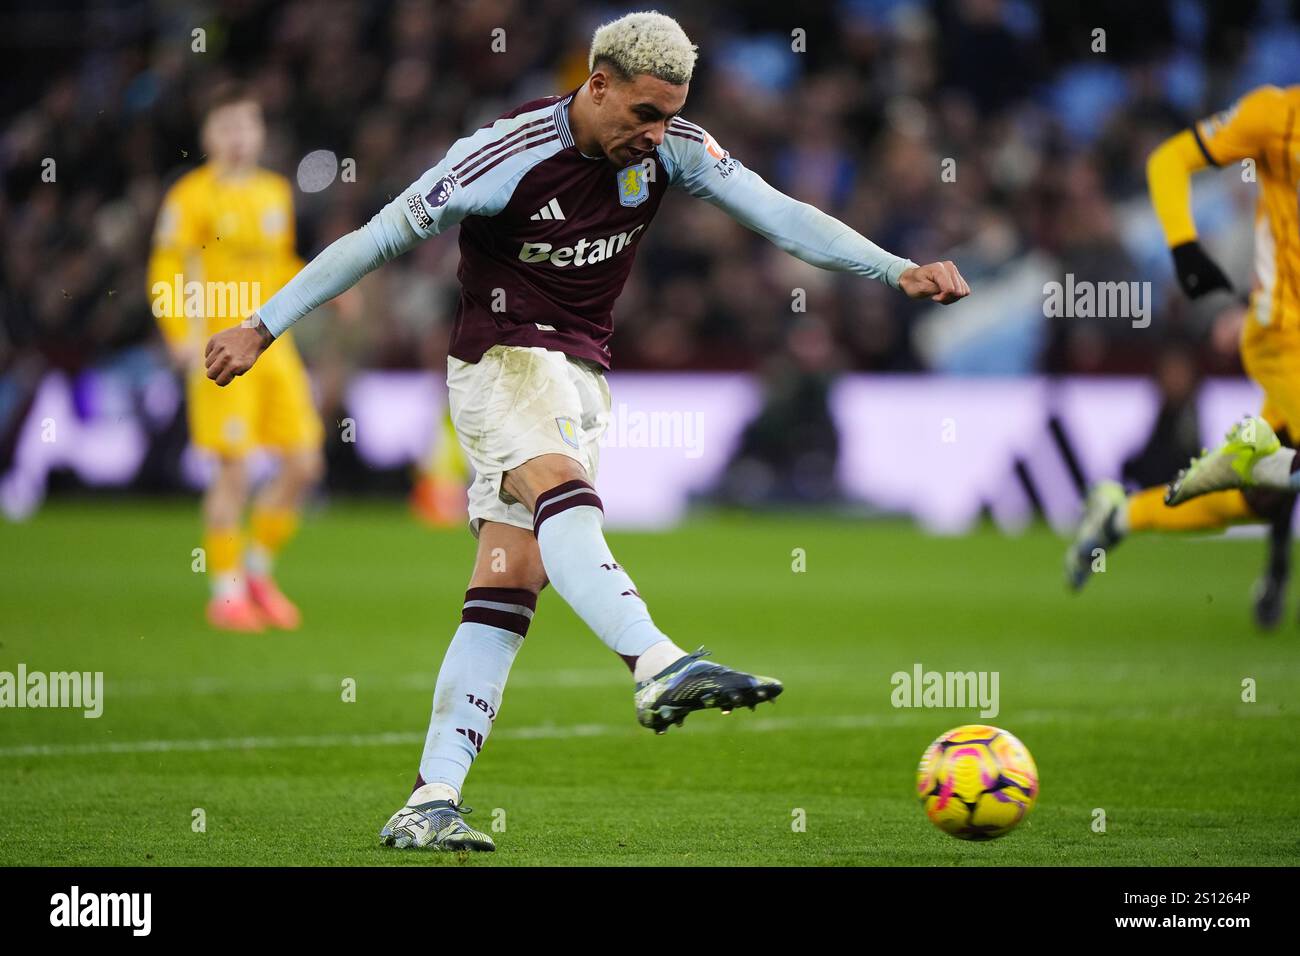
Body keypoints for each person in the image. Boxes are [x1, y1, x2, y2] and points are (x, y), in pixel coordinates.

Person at [203, 12, 970, 851]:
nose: (658, 132)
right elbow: (379, 236)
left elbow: (780, 214)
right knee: (569, 497)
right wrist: (263, 325)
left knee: (507, 587)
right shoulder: (503, 156)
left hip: (579, 372)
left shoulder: (676, 148)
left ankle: (431, 797)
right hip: (502, 359)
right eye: (644, 113)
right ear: (596, 84)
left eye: (671, 113)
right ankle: (655, 663)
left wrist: (894, 268)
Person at [1067, 84, 1300, 628]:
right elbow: (1169, 159)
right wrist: (1185, 247)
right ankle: (1261, 479)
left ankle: (1121, 514)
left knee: (1252, 501)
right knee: (1271, 481)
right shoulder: (1275, 114)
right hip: (1282, 334)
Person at [148, 82, 324, 632]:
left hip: (275, 345)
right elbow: (165, 268)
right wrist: (178, 332)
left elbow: (278, 263)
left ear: (261, 133)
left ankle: (256, 572)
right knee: (234, 470)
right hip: (220, 346)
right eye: (226, 127)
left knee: (304, 463)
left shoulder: (274, 191)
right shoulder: (190, 197)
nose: (238, 138)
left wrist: (327, 287)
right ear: (208, 135)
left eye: (246, 126)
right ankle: (224, 592)